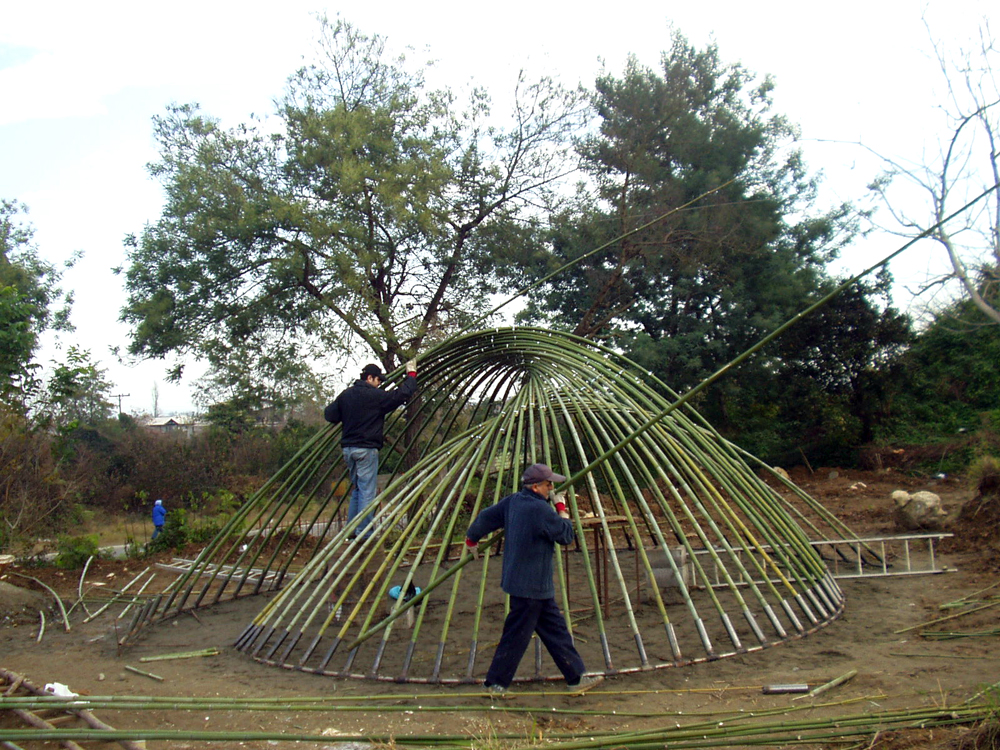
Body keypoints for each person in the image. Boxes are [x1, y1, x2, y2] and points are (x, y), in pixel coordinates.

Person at [465, 463, 604, 696]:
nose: (552, 487)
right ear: (536, 486)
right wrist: (562, 508)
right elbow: (565, 536)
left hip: (527, 583)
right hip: (530, 586)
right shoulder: (540, 511)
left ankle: (576, 677)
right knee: (515, 636)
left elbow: (487, 517)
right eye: (549, 484)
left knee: (556, 632)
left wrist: (472, 538)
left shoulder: (514, 501)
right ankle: (495, 685)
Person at [324, 359, 418, 537]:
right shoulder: (375, 396)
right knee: (367, 491)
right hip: (366, 449)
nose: (379, 384)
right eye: (378, 380)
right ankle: (364, 532)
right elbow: (401, 395)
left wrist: (348, 413)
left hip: (348, 450)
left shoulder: (346, 395)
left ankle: (352, 529)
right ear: (370, 378)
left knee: (358, 489)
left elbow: (330, 414)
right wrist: (411, 376)